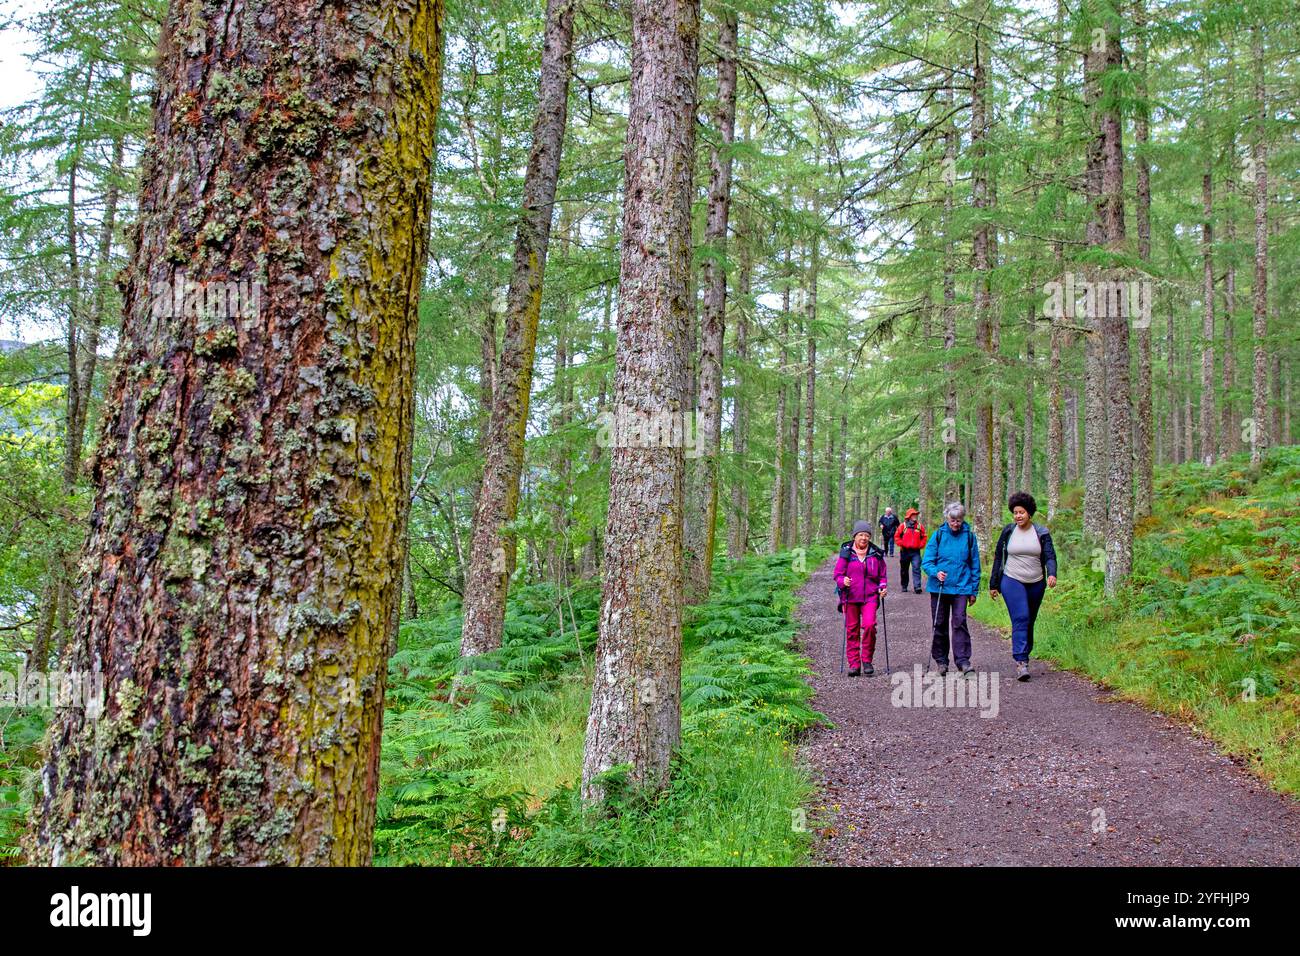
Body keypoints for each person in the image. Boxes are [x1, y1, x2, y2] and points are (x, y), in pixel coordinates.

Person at [988, 491, 1058, 681]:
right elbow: (998, 557)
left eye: (1022, 512)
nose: (1018, 516)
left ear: (1029, 513)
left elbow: (1050, 556)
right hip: (1012, 579)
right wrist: (993, 583)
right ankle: (1021, 661)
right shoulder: (1009, 531)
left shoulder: (1041, 532)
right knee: (1021, 617)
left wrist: (1052, 574)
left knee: (1030, 620)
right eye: (1015, 512)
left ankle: (1025, 652)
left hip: (1036, 582)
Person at [920, 502, 980, 676]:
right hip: (939, 587)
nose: (956, 523)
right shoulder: (938, 535)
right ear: (947, 518)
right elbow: (927, 561)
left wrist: (973, 590)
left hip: (962, 587)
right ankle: (941, 661)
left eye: (959, 520)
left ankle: (963, 661)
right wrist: (935, 572)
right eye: (953, 520)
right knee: (939, 623)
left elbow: (975, 564)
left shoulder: (969, 536)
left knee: (960, 621)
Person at [834, 520, 888, 677]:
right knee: (852, 630)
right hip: (849, 597)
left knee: (870, 626)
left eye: (866, 535)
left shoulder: (876, 554)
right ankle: (854, 664)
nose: (863, 538)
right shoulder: (846, 553)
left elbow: (882, 575)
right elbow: (837, 574)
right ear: (855, 536)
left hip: (870, 597)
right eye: (860, 535)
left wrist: (882, 587)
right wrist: (842, 581)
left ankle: (867, 660)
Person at [894, 507, 928, 593]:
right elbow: (896, 536)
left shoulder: (919, 526)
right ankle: (904, 586)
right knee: (904, 570)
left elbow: (924, 536)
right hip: (904, 551)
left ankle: (917, 587)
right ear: (909, 516)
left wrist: (921, 545)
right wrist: (902, 544)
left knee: (916, 568)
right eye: (913, 515)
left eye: (916, 515)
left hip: (915, 552)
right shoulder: (903, 526)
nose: (915, 516)